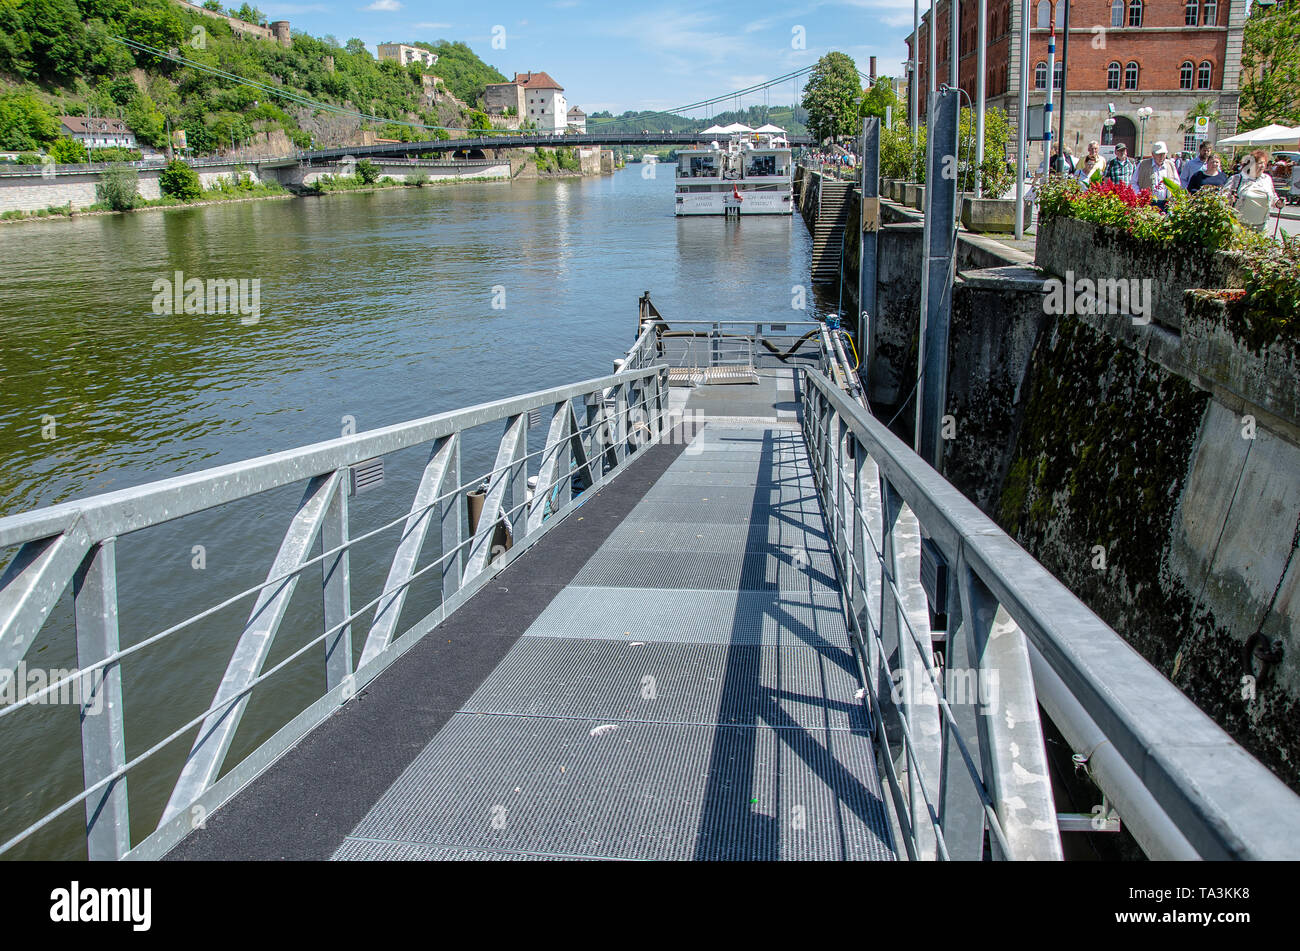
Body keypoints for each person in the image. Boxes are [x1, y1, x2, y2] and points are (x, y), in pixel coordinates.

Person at [1224, 148, 1284, 232]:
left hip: (1261, 226)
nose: (1263, 166)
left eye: (1264, 163)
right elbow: (1223, 197)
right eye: (1259, 163)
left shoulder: (1266, 179)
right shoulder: (1237, 179)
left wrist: (1278, 202)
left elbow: (1273, 195)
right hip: (1239, 225)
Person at [1131, 141, 1179, 210]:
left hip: (1166, 204)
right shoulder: (1143, 164)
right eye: (1158, 154)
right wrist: (1140, 195)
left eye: (1163, 154)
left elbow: (1176, 184)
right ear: (1153, 154)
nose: (1161, 157)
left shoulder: (1170, 165)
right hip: (1148, 203)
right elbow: (1134, 182)